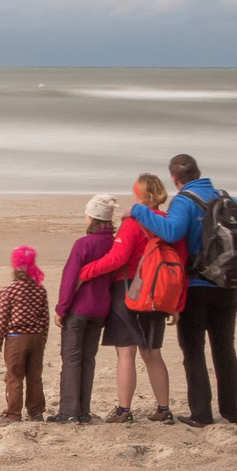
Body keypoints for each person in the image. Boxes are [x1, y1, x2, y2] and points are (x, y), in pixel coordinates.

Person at [127, 154, 237, 427]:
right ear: (198, 172)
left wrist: (137, 211)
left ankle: (201, 414)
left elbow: (171, 232)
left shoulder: (184, 201)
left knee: (194, 351)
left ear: (174, 179)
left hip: (196, 287)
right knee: (225, 349)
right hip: (227, 286)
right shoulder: (229, 200)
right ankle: (231, 412)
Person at [79, 173, 183, 424]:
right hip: (158, 294)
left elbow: (117, 258)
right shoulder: (167, 224)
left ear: (139, 194)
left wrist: (85, 272)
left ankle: (124, 410)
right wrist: (177, 302)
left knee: (126, 353)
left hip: (129, 292)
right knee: (152, 354)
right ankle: (163, 409)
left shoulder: (133, 223)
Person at [46, 195, 118, 424]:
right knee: (88, 360)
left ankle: (69, 411)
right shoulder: (115, 244)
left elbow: (69, 279)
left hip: (79, 309)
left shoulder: (83, 244)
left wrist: (61, 308)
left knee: (71, 359)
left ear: (92, 218)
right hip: (101, 309)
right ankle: (83, 411)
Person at [0, 245, 49, 425]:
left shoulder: (9, 290)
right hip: (36, 337)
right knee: (34, 376)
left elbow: (0, 318)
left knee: (14, 376)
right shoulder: (39, 290)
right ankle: (36, 411)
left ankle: (13, 414)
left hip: (16, 338)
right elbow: (45, 318)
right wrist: (43, 340)